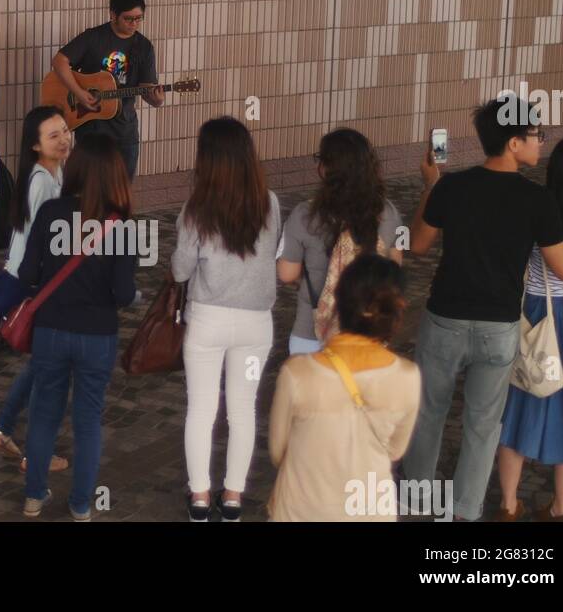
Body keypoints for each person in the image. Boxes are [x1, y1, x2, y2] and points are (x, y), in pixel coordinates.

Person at [401, 96, 563, 520]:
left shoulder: (452, 186)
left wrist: (430, 186)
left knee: (429, 412)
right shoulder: (537, 200)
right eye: (536, 136)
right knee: (482, 424)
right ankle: (466, 509)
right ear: (513, 142)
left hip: (445, 319)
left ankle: (415, 499)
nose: (540, 143)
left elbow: (417, 245)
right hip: (499, 327)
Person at [18, 134, 136, 521]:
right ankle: (81, 505)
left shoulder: (51, 212)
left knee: (44, 415)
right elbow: (122, 293)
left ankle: (34, 497)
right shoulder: (120, 223)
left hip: (51, 329)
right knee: (88, 422)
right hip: (98, 335)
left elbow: (27, 273)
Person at [171, 117, 283, 522]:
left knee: (201, 410)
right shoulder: (268, 202)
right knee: (243, 409)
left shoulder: (196, 208)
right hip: (256, 326)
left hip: (207, 323)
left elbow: (181, 271)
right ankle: (232, 497)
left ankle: (199, 497)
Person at [495, 137, 563, 522]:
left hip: (533, 317)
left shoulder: (536, 210)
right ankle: (561, 508)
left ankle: (508, 505)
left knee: (517, 406)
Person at [267, 254, 421, 522]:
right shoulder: (408, 377)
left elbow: (278, 450)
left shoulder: (297, 373)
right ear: (397, 310)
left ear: (339, 303)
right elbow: (395, 450)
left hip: (300, 510)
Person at [0, 105, 72, 473]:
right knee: (49, 369)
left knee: (41, 365)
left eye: (65, 130)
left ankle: (3, 429)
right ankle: (35, 455)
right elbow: (43, 240)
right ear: (35, 146)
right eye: (53, 136)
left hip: (32, 279)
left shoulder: (53, 173)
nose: (64, 139)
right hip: (35, 282)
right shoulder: (42, 182)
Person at [277, 128, 404, 355]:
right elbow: (395, 266)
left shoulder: (304, 215)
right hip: (368, 337)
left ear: (325, 169)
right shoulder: (389, 213)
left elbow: (287, 274)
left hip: (311, 333)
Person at [52, 0, 164, 179]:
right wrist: (79, 93)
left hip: (125, 130)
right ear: (113, 14)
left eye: (139, 19)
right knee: (88, 189)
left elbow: (146, 88)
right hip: (91, 127)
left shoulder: (144, 46)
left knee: (122, 191)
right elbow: (59, 61)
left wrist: (157, 100)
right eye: (129, 19)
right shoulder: (93, 37)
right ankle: (83, 211)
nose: (134, 24)